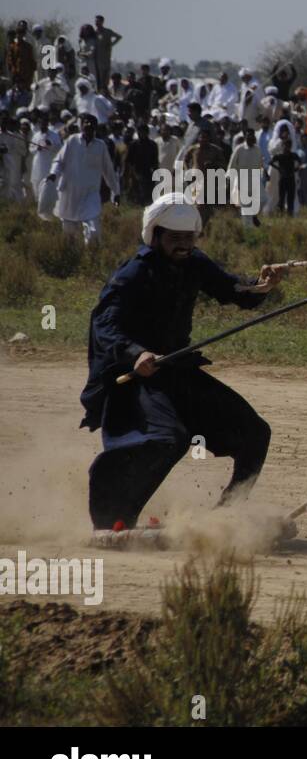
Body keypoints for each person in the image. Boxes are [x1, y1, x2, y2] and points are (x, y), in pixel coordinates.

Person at [79, 194, 282, 537]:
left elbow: (231, 288)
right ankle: (115, 518)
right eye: (175, 238)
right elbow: (104, 326)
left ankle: (227, 514)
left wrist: (261, 286)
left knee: (255, 433)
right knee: (169, 438)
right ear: (154, 235)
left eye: (189, 238)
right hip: (137, 380)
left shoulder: (196, 264)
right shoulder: (132, 275)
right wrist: (136, 353)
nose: (184, 245)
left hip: (177, 373)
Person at [46, 113, 119, 244]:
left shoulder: (100, 146)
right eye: (85, 123)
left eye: (91, 124)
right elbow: (58, 161)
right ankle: (72, 259)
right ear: (81, 126)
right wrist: (53, 173)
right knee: (69, 234)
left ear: (95, 127)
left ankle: (92, 258)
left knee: (94, 231)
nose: (88, 126)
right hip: (70, 193)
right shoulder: (72, 141)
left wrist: (116, 192)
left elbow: (109, 172)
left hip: (90, 194)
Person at [227, 128, 265, 229]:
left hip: (255, 180)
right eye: (248, 136)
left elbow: (260, 164)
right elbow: (232, 164)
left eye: (252, 136)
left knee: (263, 200)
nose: (250, 138)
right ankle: (248, 231)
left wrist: (264, 174)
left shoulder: (258, 149)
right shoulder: (239, 149)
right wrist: (229, 179)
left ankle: (253, 216)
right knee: (245, 207)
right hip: (242, 181)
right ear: (245, 137)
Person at [28, 110, 63, 218]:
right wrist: (37, 148)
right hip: (38, 164)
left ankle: (49, 210)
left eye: (45, 123)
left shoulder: (54, 135)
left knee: (48, 185)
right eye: (41, 123)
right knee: (36, 183)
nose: (43, 125)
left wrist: (50, 144)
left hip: (48, 164)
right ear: (39, 124)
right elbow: (31, 149)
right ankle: (39, 210)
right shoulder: (36, 135)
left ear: (47, 124)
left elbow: (60, 148)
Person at [90, 16, 121, 90]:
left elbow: (118, 37)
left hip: (106, 59)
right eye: (96, 21)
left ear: (102, 22)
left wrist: (111, 44)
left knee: (106, 78)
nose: (96, 23)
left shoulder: (107, 32)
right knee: (99, 79)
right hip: (98, 60)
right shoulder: (94, 33)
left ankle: (105, 91)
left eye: (98, 21)